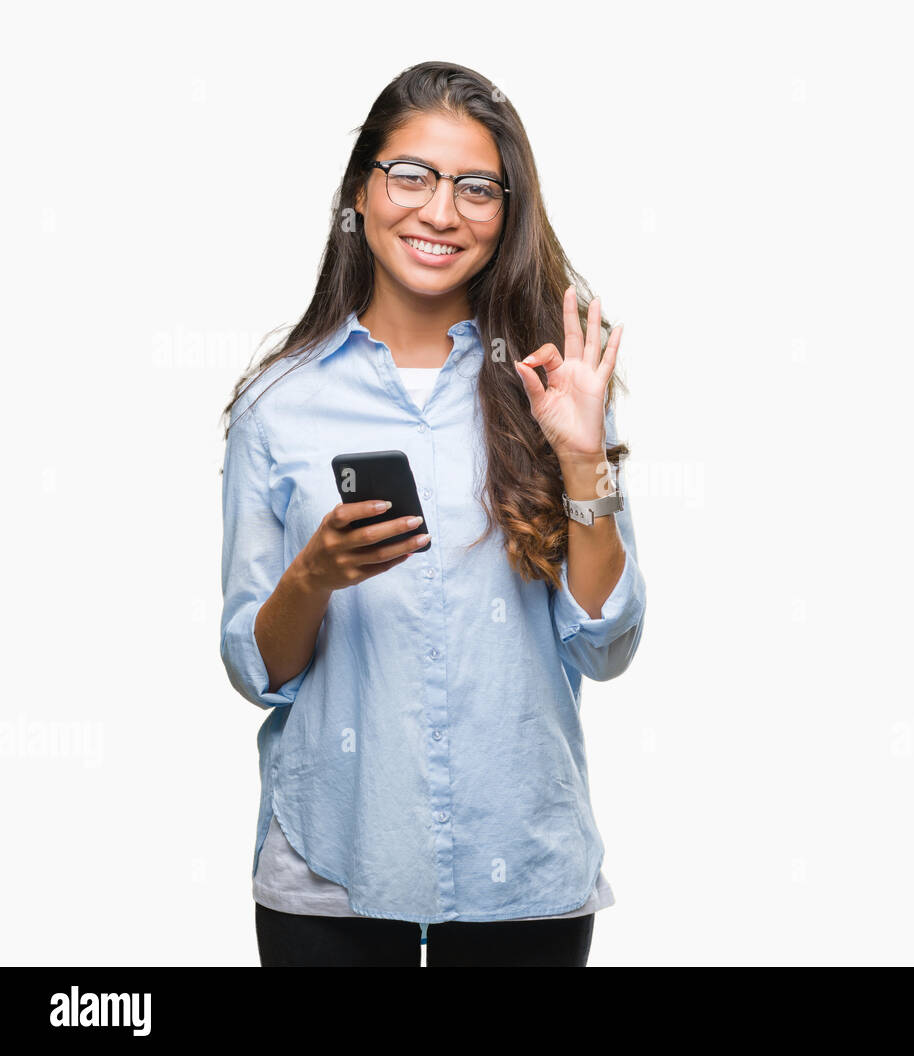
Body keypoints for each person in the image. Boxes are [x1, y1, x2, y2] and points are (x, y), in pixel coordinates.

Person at [218, 61, 647, 967]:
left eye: (475, 187)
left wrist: (581, 459)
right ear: (362, 193)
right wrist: (315, 577)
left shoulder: (553, 388)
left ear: (507, 210)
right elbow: (257, 670)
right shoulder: (278, 406)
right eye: (411, 175)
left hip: (521, 873)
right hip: (331, 869)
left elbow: (605, 644)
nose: (440, 211)